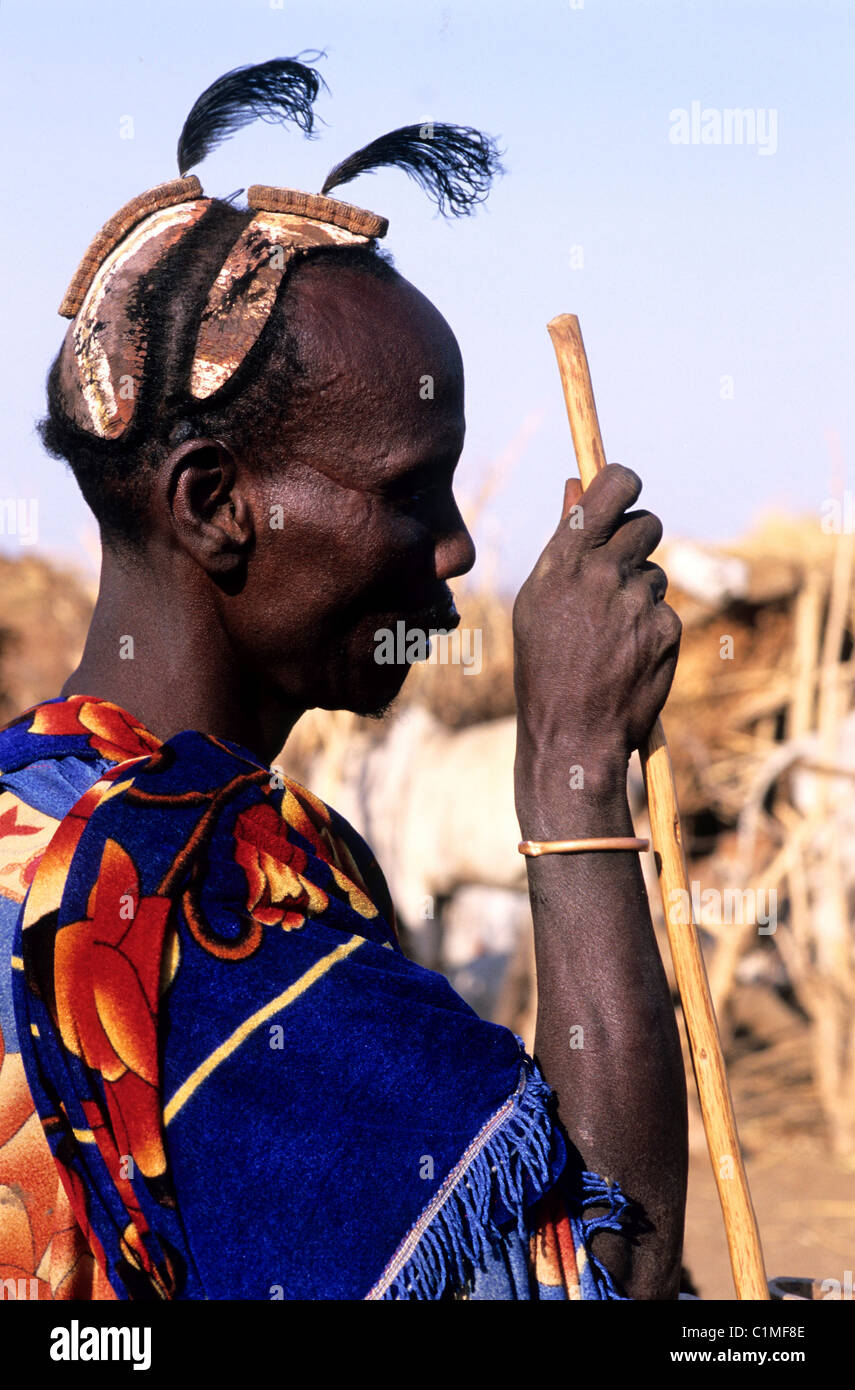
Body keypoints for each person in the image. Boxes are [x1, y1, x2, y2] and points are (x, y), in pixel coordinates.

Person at [0, 57, 686, 1301]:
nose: (459, 548)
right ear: (216, 506)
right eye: (407, 491)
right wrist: (574, 774)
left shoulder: (36, 807)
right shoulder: (194, 910)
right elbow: (607, 1277)